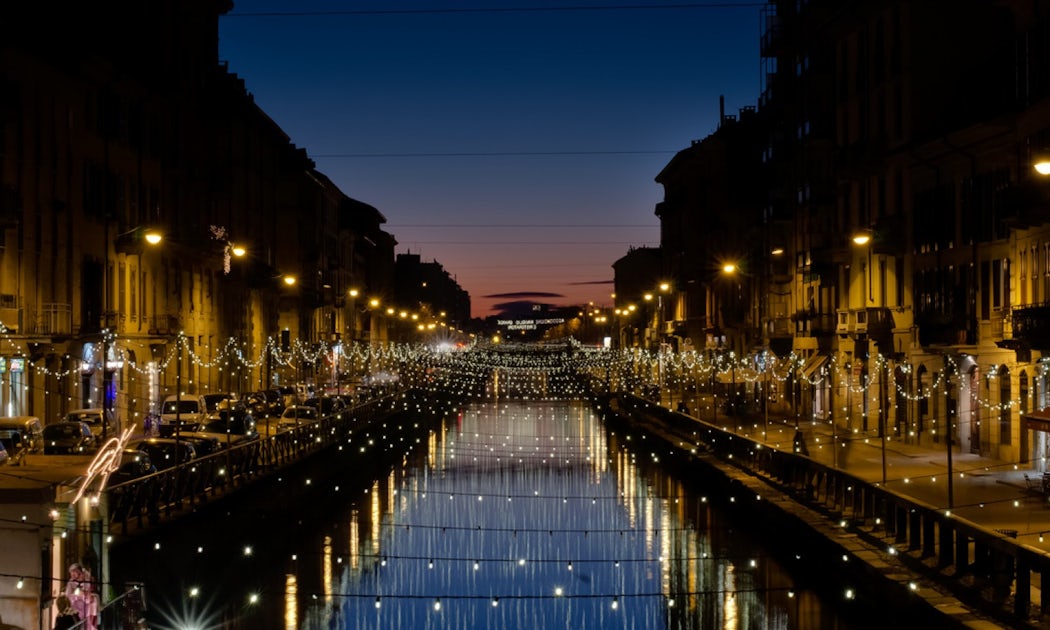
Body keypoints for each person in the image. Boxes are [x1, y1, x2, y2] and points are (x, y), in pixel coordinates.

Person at [64, 563, 99, 630]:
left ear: (79, 572)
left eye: (74, 573)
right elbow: (67, 596)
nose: (72, 575)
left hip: (86, 605)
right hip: (76, 606)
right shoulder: (70, 582)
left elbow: (89, 592)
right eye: (71, 574)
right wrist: (75, 595)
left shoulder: (86, 579)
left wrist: (84, 594)